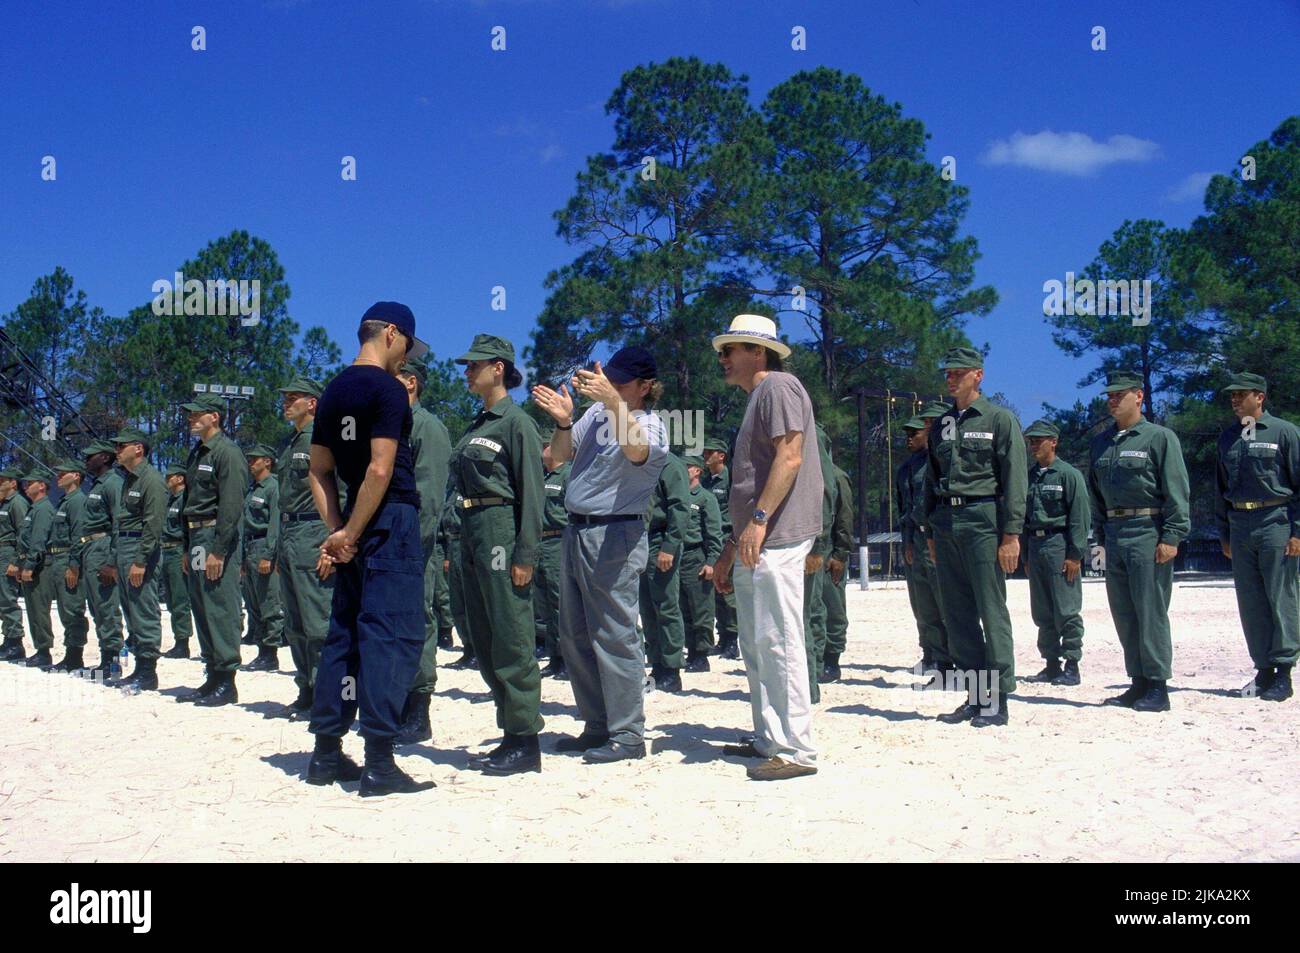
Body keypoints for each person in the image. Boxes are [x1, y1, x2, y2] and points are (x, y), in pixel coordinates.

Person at [305, 301, 435, 796]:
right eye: (407, 346)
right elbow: (381, 469)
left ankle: (326, 752)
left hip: (353, 528)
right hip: (389, 521)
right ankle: (380, 760)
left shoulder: (333, 390)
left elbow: (319, 470)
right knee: (391, 636)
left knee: (344, 634)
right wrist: (353, 534)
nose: (406, 357)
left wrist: (338, 532)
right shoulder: (388, 390)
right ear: (392, 335)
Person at [532, 345, 669, 764]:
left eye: (620, 382)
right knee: (574, 636)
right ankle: (597, 725)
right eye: (608, 378)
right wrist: (563, 421)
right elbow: (553, 458)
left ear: (646, 388)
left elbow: (637, 452)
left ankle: (628, 734)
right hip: (576, 531)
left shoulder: (651, 423)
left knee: (615, 635)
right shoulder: (592, 416)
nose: (609, 385)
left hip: (616, 533)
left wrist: (612, 403)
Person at [711, 314, 824, 781]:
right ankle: (769, 737)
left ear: (757, 351)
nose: (722, 359)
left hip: (777, 535)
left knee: (778, 640)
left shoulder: (778, 385)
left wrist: (758, 522)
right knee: (757, 643)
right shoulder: (761, 395)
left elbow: (790, 455)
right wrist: (732, 547)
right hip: (758, 539)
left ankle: (796, 750)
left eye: (729, 350)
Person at [450, 334, 545, 776]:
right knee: (483, 636)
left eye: (475, 365)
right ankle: (508, 733)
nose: (468, 371)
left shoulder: (516, 423)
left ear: (499, 368)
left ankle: (525, 741)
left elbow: (532, 492)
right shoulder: (478, 424)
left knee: (511, 636)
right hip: (471, 532)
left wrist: (526, 554)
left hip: (501, 532)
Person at [921, 346, 1026, 728]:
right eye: (947, 372)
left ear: (978, 375)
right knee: (957, 612)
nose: (950, 378)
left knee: (990, 608)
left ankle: (997, 698)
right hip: (947, 520)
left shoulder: (1000, 419)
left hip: (984, 517)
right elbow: (931, 479)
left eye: (958, 372)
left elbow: (1015, 479)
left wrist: (1011, 533)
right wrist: (931, 526)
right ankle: (976, 695)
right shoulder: (943, 423)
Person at [1088, 370, 1190, 713]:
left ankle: (1158, 686)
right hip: (1114, 534)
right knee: (1124, 612)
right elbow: (1096, 495)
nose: (1112, 400)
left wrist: (1172, 536)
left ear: (1139, 396)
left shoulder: (1160, 438)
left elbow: (1177, 492)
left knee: (1151, 610)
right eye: (1109, 396)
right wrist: (1099, 536)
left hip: (1148, 530)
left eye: (1120, 395)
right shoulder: (1101, 443)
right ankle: (1138, 682)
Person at [1214, 372, 1298, 703]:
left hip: (1275, 520)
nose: (1234, 400)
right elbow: (1220, 489)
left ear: (1259, 397)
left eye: (1241, 394)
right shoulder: (1228, 439)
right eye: (1232, 396)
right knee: (1250, 600)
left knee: (1281, 596)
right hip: (1240, 523)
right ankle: (1262, 670)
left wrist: (1297, 531)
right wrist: (1224, 533)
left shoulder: (1285, 433)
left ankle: (1284, 671)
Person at [177, 392, 249, 706]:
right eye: (190, 415)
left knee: (219, 604)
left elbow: (231, 505)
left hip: (214, 536)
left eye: (197, 414)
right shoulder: (197, 454)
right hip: (195, 536)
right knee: (201, 604)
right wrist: (185, 545)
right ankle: (212, 673)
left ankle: (227, 680)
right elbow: (187, 503)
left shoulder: (227, 452)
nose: (191, 419)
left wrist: (219, 550)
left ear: (214, 417)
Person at [395, 358, 452, 746]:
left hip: (412, 545)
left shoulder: (427, 427)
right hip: (385, 543)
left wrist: (412, 548)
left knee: (417, 620)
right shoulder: (387, 425)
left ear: (411, 383)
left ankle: (418, 711)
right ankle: (395, 703)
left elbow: (429, 498)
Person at [273, 377, 334, 719]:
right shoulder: (288, 442)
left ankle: (326, 694)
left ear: (312, 403)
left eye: (293, 397)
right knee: (294, 622)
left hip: (314, 529)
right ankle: (306, 690)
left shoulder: (322, 439)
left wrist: (332, 539)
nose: (286, 402)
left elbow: (338, 489)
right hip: (290, 531)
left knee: (317, 622)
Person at [1022, 419, 1089, 686]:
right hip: (1035, 546)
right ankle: (1051, 664)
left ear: (1054, 441)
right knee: (1042, 610)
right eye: (1031, 441)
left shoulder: (1068, 475)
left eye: (1039, 440)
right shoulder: (1028, 477)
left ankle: (1072, 664)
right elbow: (1023, 518)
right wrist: (1026, 556)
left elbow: (1080, 517)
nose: (1034, 445)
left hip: (1059, 545)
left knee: (1066, 608)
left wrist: (1075, 554)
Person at [109, 429, 168, 691]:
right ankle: (139, 666)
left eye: (122, 446)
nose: (117, 451)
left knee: (143, 607)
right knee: (130, 607)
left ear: (138, 449)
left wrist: (141, 560)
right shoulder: (128, 480)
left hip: (139, 548)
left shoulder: (151, 479)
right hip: (124, 545)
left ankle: (148, 671)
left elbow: (154, 523)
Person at [897, 413, 950, 681]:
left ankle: (947, 657)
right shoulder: (906, 468)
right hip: (914, 540)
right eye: (907, 434)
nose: (909, 438)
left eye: (914, 433)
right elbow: (904, 508)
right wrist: (906, 541)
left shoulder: (937, 463)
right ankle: (930, 653)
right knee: (921, 603)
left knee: (942, 600)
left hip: (936, 538)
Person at [642, 451, 691, 691]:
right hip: (639, 541)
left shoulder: (669, 464)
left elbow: (680, 508)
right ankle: (657, 666)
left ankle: (672, 669)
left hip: (660, 540)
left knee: (665, 606)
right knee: (647, 608)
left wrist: (669, 547)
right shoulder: (636, 461)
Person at [76, 441, 126, 679]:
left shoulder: (113, 483)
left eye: (91, 456)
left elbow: (119, 523)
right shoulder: (96, 486)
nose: (86, 460)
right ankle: (106, 660)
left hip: (103, 547)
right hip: (90, 547)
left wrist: (112, 561)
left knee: (106, 607)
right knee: (97, 607)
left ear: (105, 458)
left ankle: (113, 664)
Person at [240, 445, 285, 672]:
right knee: (254, 603)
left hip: (263, 546)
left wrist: (269, 554)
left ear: (267, 461)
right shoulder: (251, 490)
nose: (251, 463)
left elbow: (275, 524)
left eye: (255, 459)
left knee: (269, 603)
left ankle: (270, 653)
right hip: (249, 548)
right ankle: (260, 648)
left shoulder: (273, 487)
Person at [43, 460, 90, 673]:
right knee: (64, 609)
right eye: (58, 473)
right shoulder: (64, 501)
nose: (58, 477)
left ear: (76, 476)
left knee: (72, 608)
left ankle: (75, 656)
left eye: (63, 474)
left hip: (68, 560)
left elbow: (79, 535)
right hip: (57, 559)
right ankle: (70, 654)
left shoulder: (77, 501)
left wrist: (73, 565)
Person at [802, 423, 836, 700]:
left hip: (804, 543)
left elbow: (824, 490)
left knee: (801, 616)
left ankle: (807, 686)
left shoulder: (809, 432)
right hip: (778, 540)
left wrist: (818, 546)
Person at [681, 455, 724, 673]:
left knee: (701, 609)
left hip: (696, 556)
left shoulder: (706, 498)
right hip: (677, 556)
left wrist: (711, 562)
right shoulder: (677, 496)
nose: (682, 470)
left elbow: (714, 533)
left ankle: (701, 655)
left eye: (686, 466)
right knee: (683, 609)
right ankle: (691, 651)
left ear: (697, 470)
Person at [535, 425, 571, 679]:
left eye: (545, 446)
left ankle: (567, 658)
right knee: (544, 604)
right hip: (540, 543)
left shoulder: (568, 475)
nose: (541, 451)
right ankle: (554, 657)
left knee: (561, 605)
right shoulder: (541, 478)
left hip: (560, 542)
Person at [15, 468, 57, 667]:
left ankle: (44, 651)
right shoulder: (34, 508)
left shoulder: (43, 509)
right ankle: (40, 649)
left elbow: (39, 541)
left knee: (39, 608)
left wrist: (29, 566)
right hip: (30, 563)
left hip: (40, 567)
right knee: (32, 608)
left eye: (29, 482)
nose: (25, 486)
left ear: (41, 485)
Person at [702, 438, 739, 659]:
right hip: (712, 539)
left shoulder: (730, 480)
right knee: (716, 592)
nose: (706, 456)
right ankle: (723, 636)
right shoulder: (706, 482)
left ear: (721, 456)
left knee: (728, 591)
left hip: (728, 541)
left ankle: (733, 639)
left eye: (710, 453)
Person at [820, 462, 854, 683]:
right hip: (806, 552)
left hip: (829, 552)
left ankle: (832, 661)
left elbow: (845, 517)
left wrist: (840, 554)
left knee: (833, 607)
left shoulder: (837, 476)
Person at [160, 464, 194, 659]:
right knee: (171, 600)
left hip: (178, 549)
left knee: (180, 599)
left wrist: (186, 552)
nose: (167, 480)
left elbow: (187, 527)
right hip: (166, 550)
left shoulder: (184, 499)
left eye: (170, 476)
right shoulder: (169, 500)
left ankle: (183, 643)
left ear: (180, 478)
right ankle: (179, 639)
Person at [438, 490, 474, 669]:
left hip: (467, 542)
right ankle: (467, 649)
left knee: (470, 602)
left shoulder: (470, 489)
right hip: (453, 544)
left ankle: (476, 650)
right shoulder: (451, 492)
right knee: (457, 602)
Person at [0, 467, 29, 661]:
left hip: (8, 552)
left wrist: (16, 561)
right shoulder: (3, 504)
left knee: (7, 598)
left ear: (13, 483)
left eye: (2, 481)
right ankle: (8, 640)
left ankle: (15, 643)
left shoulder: (17, 503)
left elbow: (23, 533)